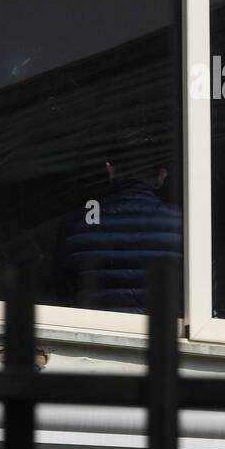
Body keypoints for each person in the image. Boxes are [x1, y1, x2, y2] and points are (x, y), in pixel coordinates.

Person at [53, 129, 183, 313]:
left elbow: (64, 295)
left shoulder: (77, 224)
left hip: (94, 333)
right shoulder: (186, 225)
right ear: (161, 175)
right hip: (162, 337)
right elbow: (203, 297)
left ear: (110, 171)